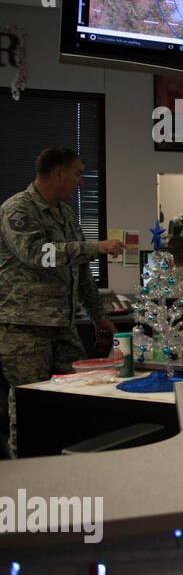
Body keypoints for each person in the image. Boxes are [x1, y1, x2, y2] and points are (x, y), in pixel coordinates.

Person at [0, 147, 124, 457]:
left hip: (64, 325)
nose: (80, 181)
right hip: (25, 329)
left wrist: (99, 316)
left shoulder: (65, 214)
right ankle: (24, 471)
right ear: (58, 173)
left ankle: (68, 468)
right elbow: (38, 254)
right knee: (30, 405)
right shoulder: (17, 209)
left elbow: (82, 272)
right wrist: (96, 246)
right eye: (77, 173)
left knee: (75, 400)